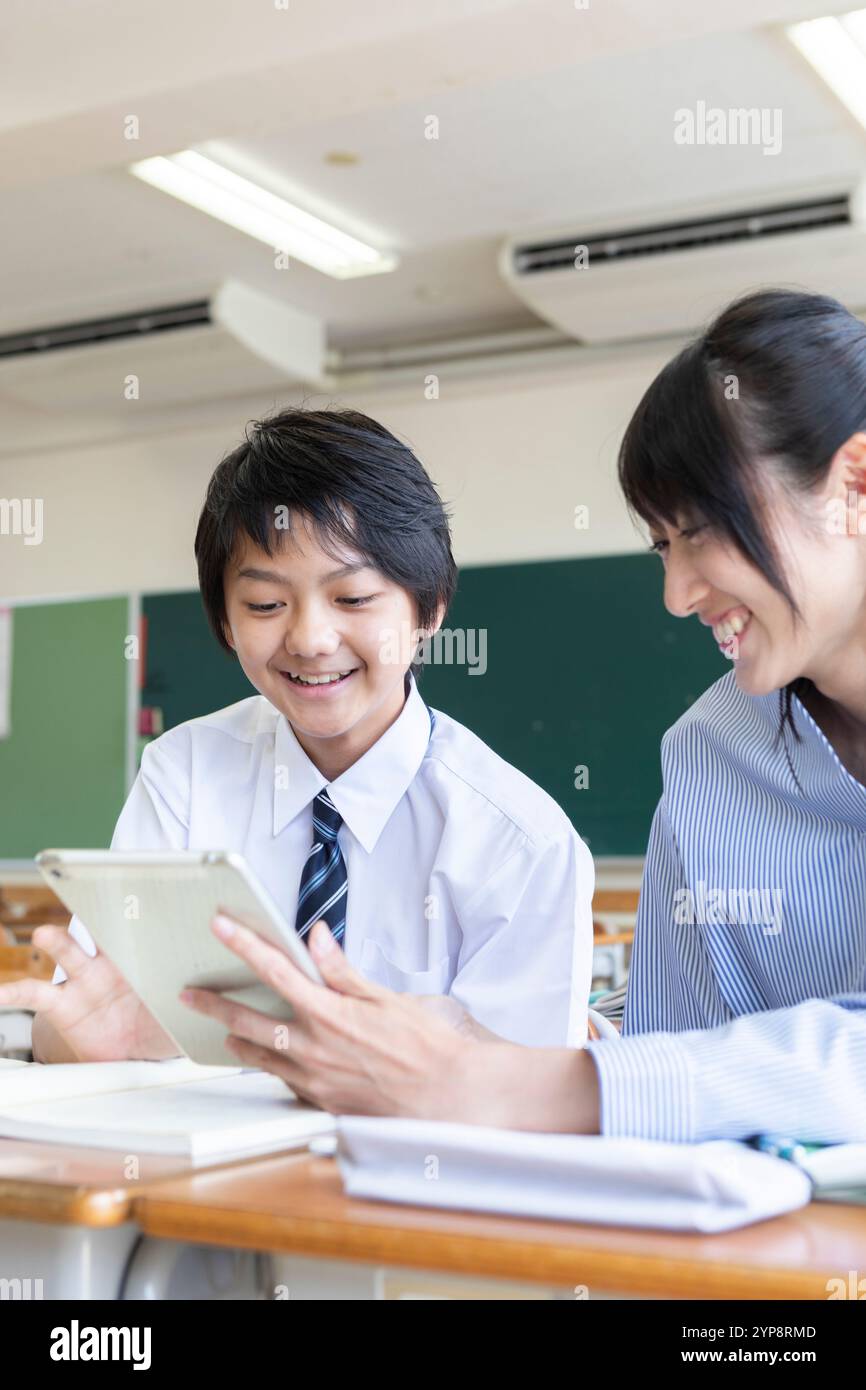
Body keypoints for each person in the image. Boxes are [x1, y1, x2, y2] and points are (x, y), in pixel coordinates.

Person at [181, 289, 866, 1144]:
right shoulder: (708, 753)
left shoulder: (517, 827)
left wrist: (513, 1082)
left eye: (701, 534)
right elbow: (676, 1036)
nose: (677, 593)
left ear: (854, 486)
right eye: (663, 547)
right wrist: (528, 1042)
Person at [4, 408, 593, 1063]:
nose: (310, 640)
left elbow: (527, 1116)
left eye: (353, 599)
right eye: (264, 605)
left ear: (429, 610)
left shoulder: (520, 844)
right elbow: (77, 1023)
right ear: (226, 623)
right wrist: (84, 1046)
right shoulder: (185, 775)